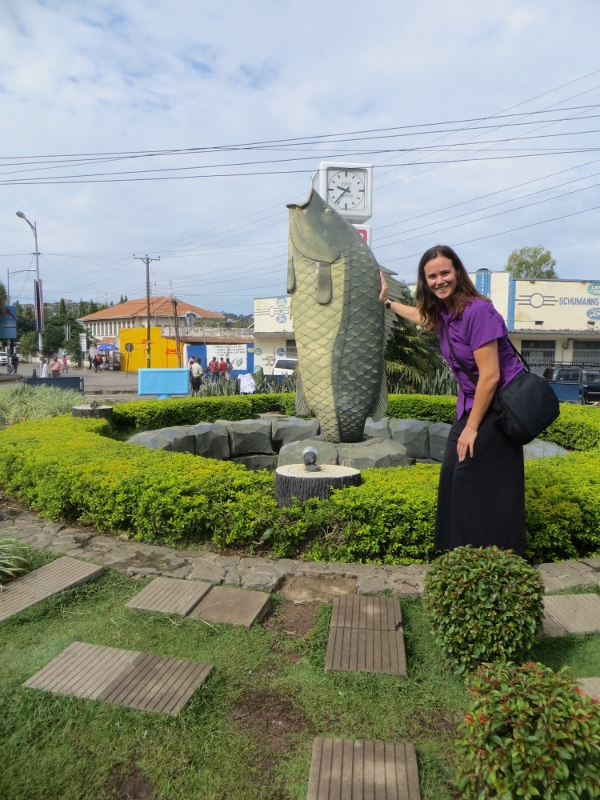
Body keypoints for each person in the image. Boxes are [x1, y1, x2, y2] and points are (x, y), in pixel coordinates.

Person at [379, 244, 526, 555]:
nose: (439, 280)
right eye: (432, 276)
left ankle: (491, 554)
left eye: (445, 273)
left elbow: (490, 377)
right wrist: (388, 303)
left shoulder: (477, 311)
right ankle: (451, 553)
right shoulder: (445, 313)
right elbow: (423, 318)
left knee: (469, 478)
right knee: (450, 476)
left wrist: (472, 429)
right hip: (472, 406)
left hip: (500, 408)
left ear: (457, 272)